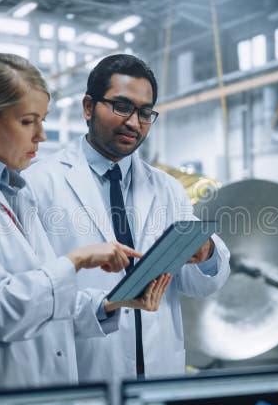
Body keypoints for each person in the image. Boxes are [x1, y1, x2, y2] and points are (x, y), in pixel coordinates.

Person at [0, 53, 171, 395]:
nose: (41, 136)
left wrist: (112, 302)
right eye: (28, 122)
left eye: (42, 120)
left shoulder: (17, 194)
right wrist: (76, 260)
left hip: (32, 400)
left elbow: (42, 303)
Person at [21, 54, 231, 381]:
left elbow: (199, 285)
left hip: (159, 367)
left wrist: (205, 253)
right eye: (121, 106)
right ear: (88, 107)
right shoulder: (38, 185)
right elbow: (31, 296)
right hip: (86, 368)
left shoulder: (167, 189)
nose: (134, 123)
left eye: (145, 113)